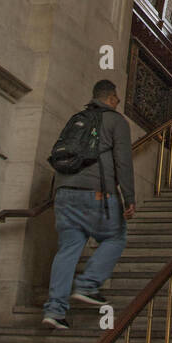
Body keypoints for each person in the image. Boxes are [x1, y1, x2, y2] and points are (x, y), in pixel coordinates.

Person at [42, 79, 136, 330]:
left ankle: (54, 310)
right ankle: (87, 285)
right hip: (96, 193)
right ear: (112, 98)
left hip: (64, 193)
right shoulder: (116, 121)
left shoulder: (77, 119)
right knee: (116, 236)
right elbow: (123, 162)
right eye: (116, 97)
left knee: (68, 248)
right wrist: (129, 198)